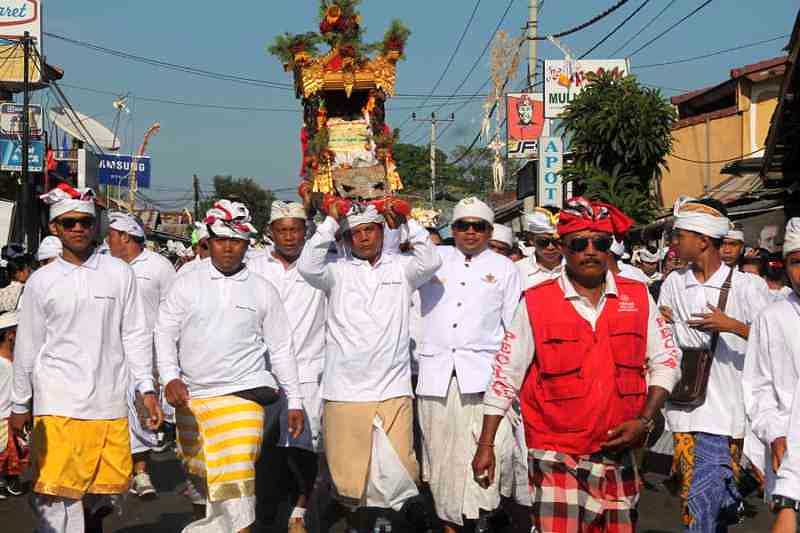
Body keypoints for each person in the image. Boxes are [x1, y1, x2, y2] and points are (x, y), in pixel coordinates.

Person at [472, 196, 681, 533]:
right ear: (565, 248)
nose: (590, 250)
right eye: (579, 243)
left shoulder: (638, 297)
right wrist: (486, 445)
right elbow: (505, 375)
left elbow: (667, 361)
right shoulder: (536, 302)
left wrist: (644, 420)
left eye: (599, 242)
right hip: (555, 453)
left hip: (619, 450)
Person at [11, 183, 162, 533]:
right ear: (55, 228)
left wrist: (145, 388)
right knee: (60, 497)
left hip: (108, 402)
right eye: (69, 223)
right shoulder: (41, 282)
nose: (78, 228)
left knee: (97, 498)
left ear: (95, 226)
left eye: (85, 221)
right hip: (57, 401)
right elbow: (28, 346)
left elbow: (136, 335)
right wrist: (20, 404)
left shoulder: (119, 274)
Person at [155, 200, 303, 533]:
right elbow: (164, 332)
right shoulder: (187, 282)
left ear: (247, 244)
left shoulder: (262, 289)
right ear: (209, 240)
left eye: (236, 241)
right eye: (221, 240)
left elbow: (281, 348)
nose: (228, 248)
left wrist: (295, 401)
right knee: (208, 483)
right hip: (194, 398)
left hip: (244, 396)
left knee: (235, 481)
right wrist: (170, 378)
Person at [297, 200, 441, 531]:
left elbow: (431, 259)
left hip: (393, 389)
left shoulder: (401, 268)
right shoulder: (334, 271)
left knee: (400, 475)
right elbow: (307, 265)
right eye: (356, 233)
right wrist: (332, 221)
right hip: (344, 391)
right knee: (349, 483)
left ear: (380, 231)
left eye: (369, 230)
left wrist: (406, 222)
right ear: (346, 239)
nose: (363, 238)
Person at [658, 196, 770, 532]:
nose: (674, 243)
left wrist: (732, 325)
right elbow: (664, 337)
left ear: (703, 240)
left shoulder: (747, 286)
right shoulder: (674, 283)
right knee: (697, 500)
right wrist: (671, 325)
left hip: (730, 411)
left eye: (680, 236)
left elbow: (771, 340)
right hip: (685, 409)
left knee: (711, 496)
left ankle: (732, 496)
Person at [416, 197, 521, 532]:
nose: (471, 232)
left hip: (483, 378)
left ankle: (481, 521)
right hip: (434, 376)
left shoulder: (505, 268)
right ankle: (449, 525)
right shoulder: (433, 259)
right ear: (453, 229)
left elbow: (514, 328)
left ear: (490, 231)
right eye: (463, 225)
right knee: (441, 459)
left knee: (487, 455)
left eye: (479, 226)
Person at [248, 202, 326, 533]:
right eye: (283, 230)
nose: (290, 236)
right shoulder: (254, 264)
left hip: (309, 370)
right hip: (262, 372)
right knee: (263, 451)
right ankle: (262, 513)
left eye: (296, 229)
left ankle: (300, 508)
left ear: (306, 231)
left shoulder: (320, 264)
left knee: (305, 449)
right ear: (271, 233)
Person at [106, 211, 176, 499]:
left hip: (145, 353)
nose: (106, 241)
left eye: (110, 235)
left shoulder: (159, 267)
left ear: (125, 237)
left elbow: (172, 313)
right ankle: (115, 473)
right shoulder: (103, 265)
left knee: (142, 409)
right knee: (114, 412)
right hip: (108, 353)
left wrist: (167, 357)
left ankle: (141, 472)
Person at [743, 218, 800, 504]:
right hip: (790, 451)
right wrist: (775, 435)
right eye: (797, 262)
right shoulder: (772, 318)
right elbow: (759, 388)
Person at [0, 311, 23, 499]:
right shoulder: (3, 364)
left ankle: (11, 482)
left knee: (15, 452)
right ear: (10, 336)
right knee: (6, 453)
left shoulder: (15, 361)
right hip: (3, 415)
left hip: (12, 413)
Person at [517, 207, 563, 290]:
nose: (551, 247)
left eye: (557, 241)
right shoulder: (517, 270)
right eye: (543, 242)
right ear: (531, 239)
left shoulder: (577, 269)